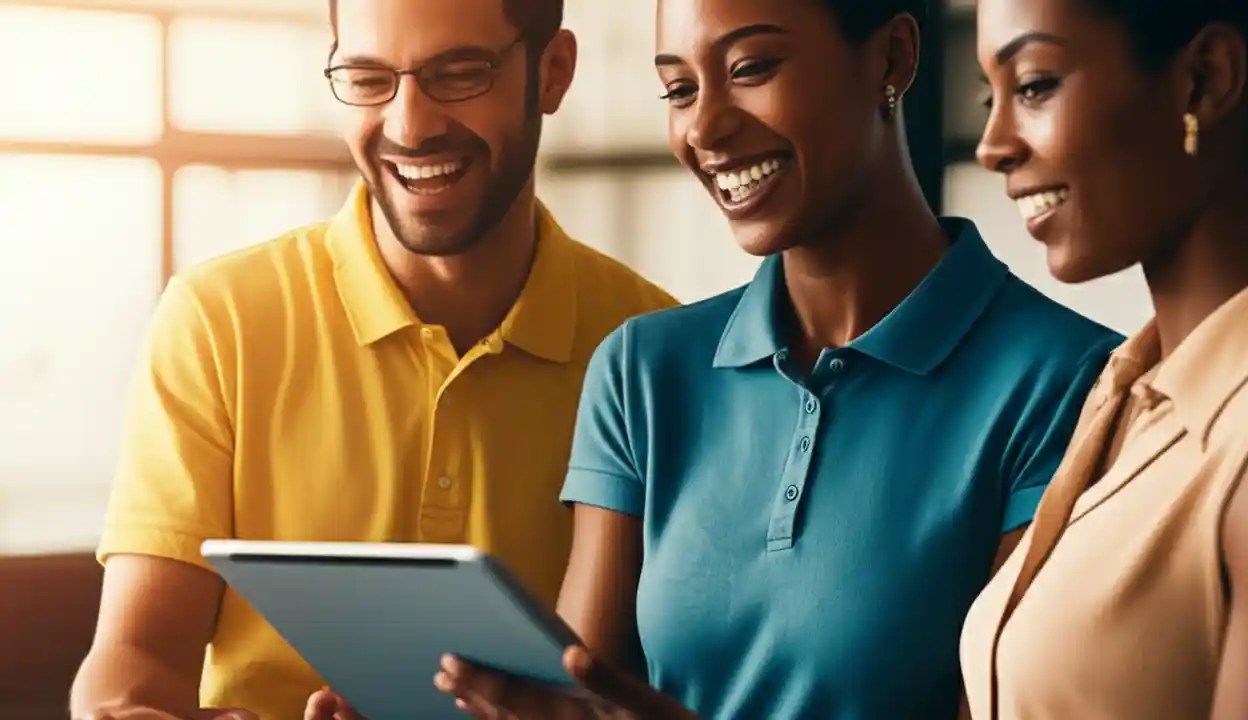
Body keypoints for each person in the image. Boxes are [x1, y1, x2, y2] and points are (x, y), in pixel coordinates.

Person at [307, 0, 1121, 718]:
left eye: (751, 68)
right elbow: (573, 699)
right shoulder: (643, 371)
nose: (704, 128)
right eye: (679, 89)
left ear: (892, 58)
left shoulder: (1071, 385)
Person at [69, 0, 676, 718]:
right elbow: (136, 656)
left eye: (460, 73)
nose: (410, 127)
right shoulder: (217, 318)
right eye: (367, 79)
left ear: (553, 72)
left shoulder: (654, 347)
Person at [959, 0, 1248, 718]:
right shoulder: (1130, 390)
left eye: (1034, 85)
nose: (992, 145)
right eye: (989, 98)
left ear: (1204, 79)